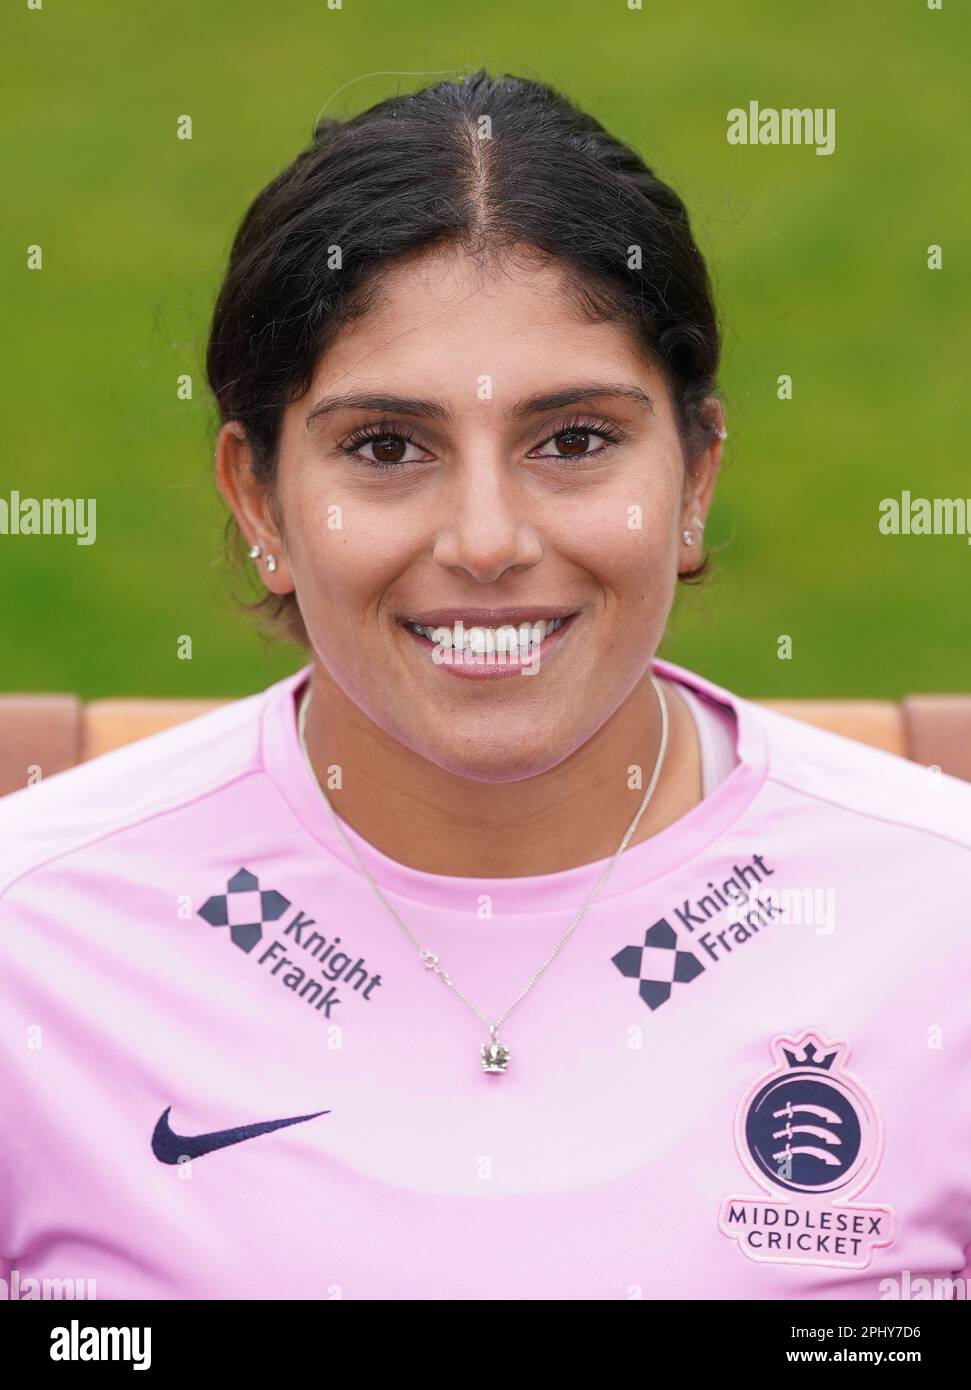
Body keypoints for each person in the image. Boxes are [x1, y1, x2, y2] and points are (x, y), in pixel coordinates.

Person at [1, 68, 969, 1303]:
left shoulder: (940, 919)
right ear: (258, 499)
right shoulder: (31, 938)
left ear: (695, 478)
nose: (485, 539)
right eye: (385, 448)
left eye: (572, 441)